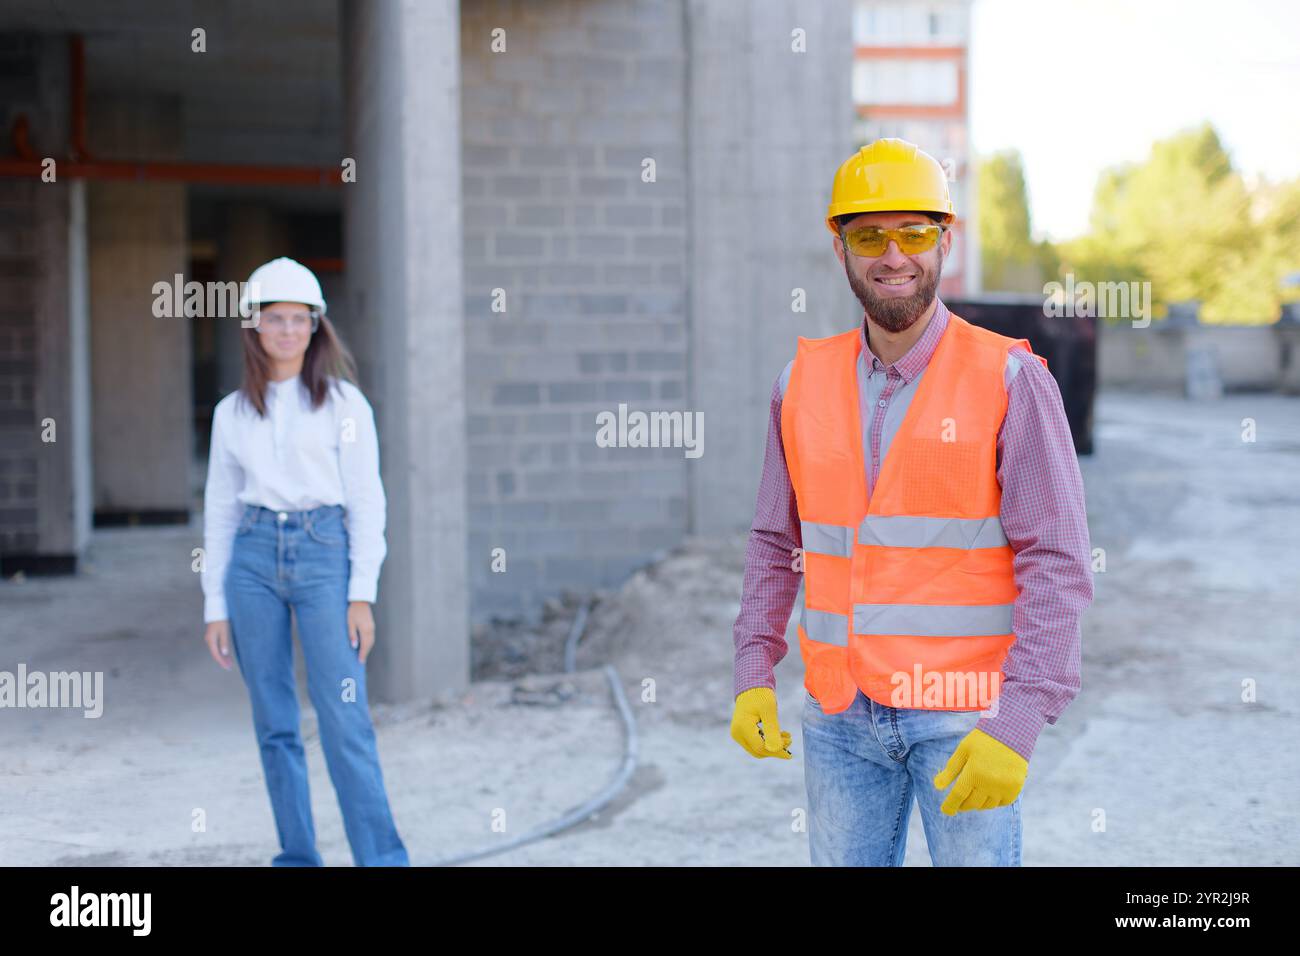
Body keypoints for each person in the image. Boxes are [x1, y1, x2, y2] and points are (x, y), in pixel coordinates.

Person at [728, 139, 1093, 866]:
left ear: (944, 243)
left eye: (915, 233)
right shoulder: (798, 384)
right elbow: (777, 541)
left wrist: (1017, 722)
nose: (893, 255)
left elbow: (1057, 560)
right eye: (869, 235)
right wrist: (752, 673)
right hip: (838, 715)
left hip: (964, 720)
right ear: (841, 249)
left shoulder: (1011, 380)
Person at [200, 256, 408, 866]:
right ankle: (298, 857)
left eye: (299, 319)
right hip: (253, 561)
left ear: (316, 326)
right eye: (275, 319)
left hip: (325, 557)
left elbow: (368, 502)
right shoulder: (230, 414)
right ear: (254, 327)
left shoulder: (346, 406)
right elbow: (219, 511)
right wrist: (215, 603)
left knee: (345, 720)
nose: (287, 331)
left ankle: (383, 860)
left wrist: (361, 594)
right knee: (275, 723)